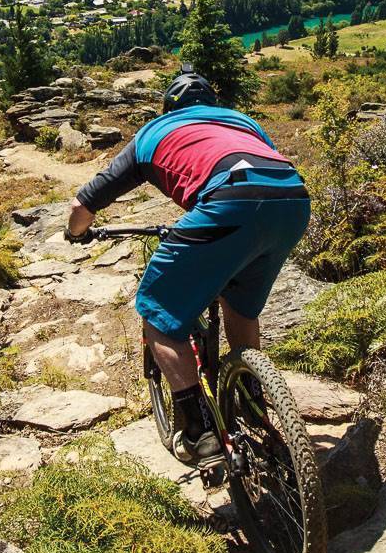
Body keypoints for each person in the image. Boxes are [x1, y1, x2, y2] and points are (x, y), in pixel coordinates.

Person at [66, 66, 310, 463]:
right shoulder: (242, 121)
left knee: (157, 314)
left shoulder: (153, 132)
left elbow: (83, 205)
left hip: (228, 203)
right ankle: (252, 401)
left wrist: (77, 234)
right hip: (293, 201)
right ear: (212, 104)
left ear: (168, 107)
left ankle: (198, 431)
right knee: (241, 307)